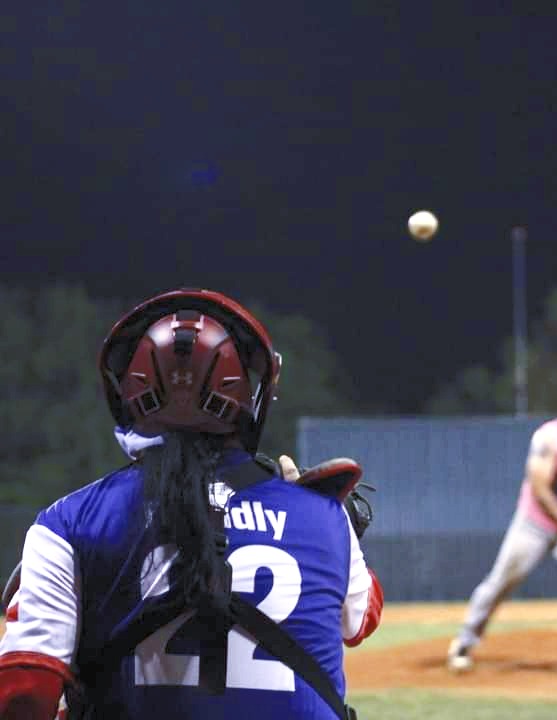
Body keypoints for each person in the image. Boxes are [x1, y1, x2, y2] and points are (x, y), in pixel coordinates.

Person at [0, 288, 383, 720]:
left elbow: (25, 693)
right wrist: (336, 523)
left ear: (129, 394)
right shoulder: (325, 517)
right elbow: (360, 620)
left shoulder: (68, 521)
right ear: (248, 397)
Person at [447, 376, 557, 677]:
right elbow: (540, 487)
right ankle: (464, 643)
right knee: (501, 581)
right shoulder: (549, 436)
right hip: (535, 521)